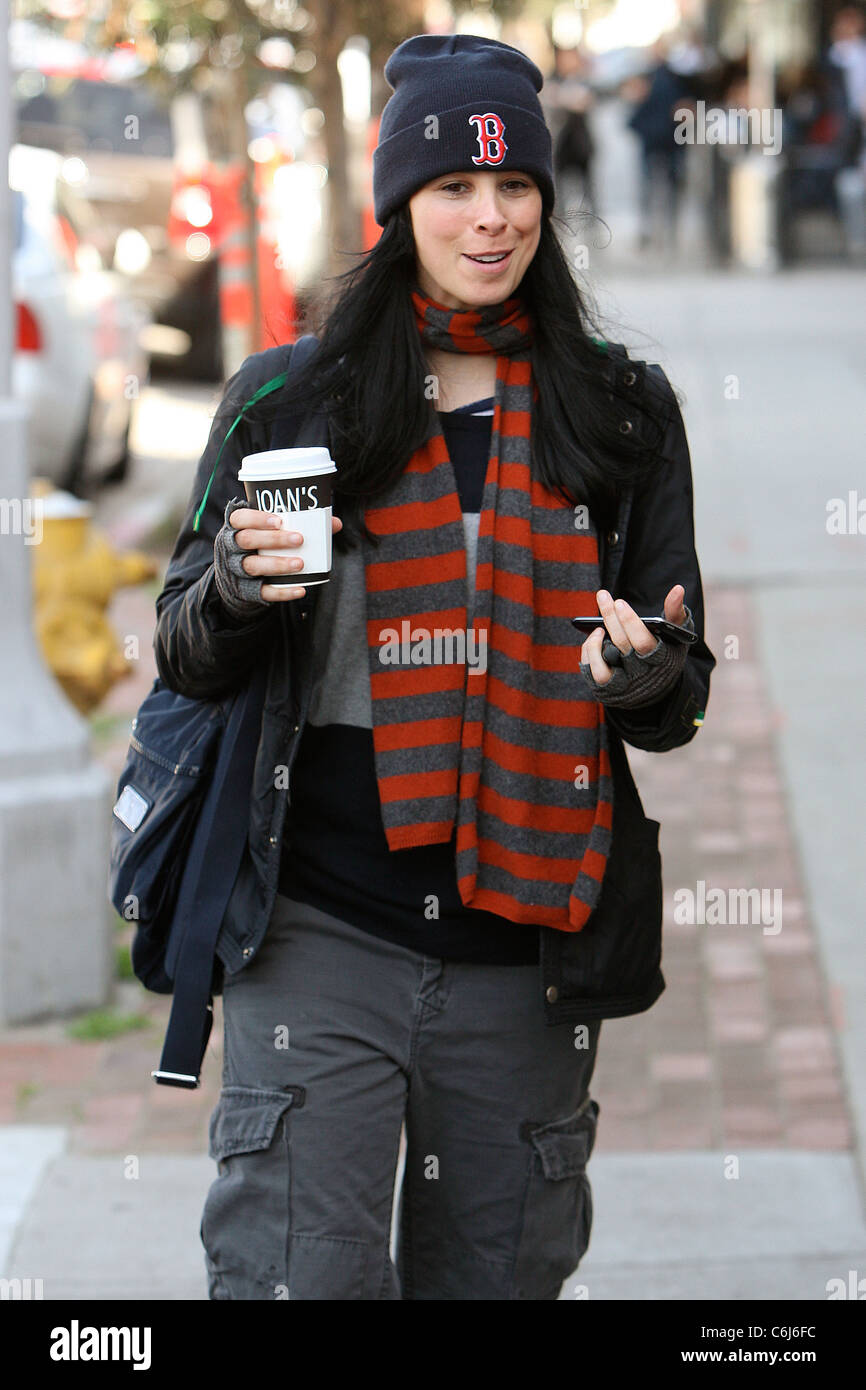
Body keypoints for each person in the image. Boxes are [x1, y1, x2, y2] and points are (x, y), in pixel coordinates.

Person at [154, 32, 715, 1301]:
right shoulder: (288, 401)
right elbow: (182, 648)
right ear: (397, 202)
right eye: (453, 188)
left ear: (545, 202)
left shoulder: (619, 409)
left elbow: (676, 698)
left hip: (525, 944)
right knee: (300, 1275)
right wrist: (241, 585)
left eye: (513, 185)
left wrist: (640, 679)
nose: (488, 216)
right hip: (320, 931)